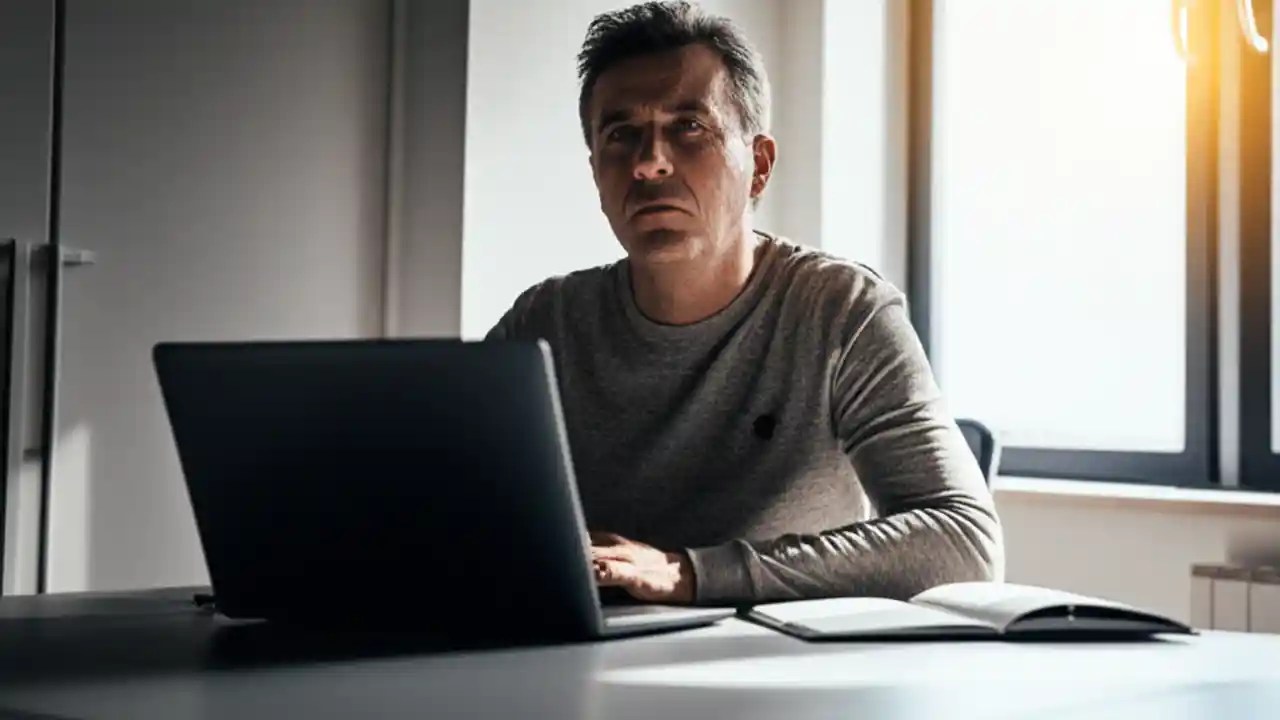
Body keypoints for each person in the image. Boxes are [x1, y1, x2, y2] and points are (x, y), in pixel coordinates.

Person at [486, 1, 1003, 606]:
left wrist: (691, 573)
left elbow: (964, 543)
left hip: (777, 670)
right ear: (597, 171)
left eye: (689, 128)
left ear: (757, 167)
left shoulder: (843, 312)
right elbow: (434, 500)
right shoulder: (545, 324)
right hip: (585, 661)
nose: (650, 163)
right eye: (621, 135)